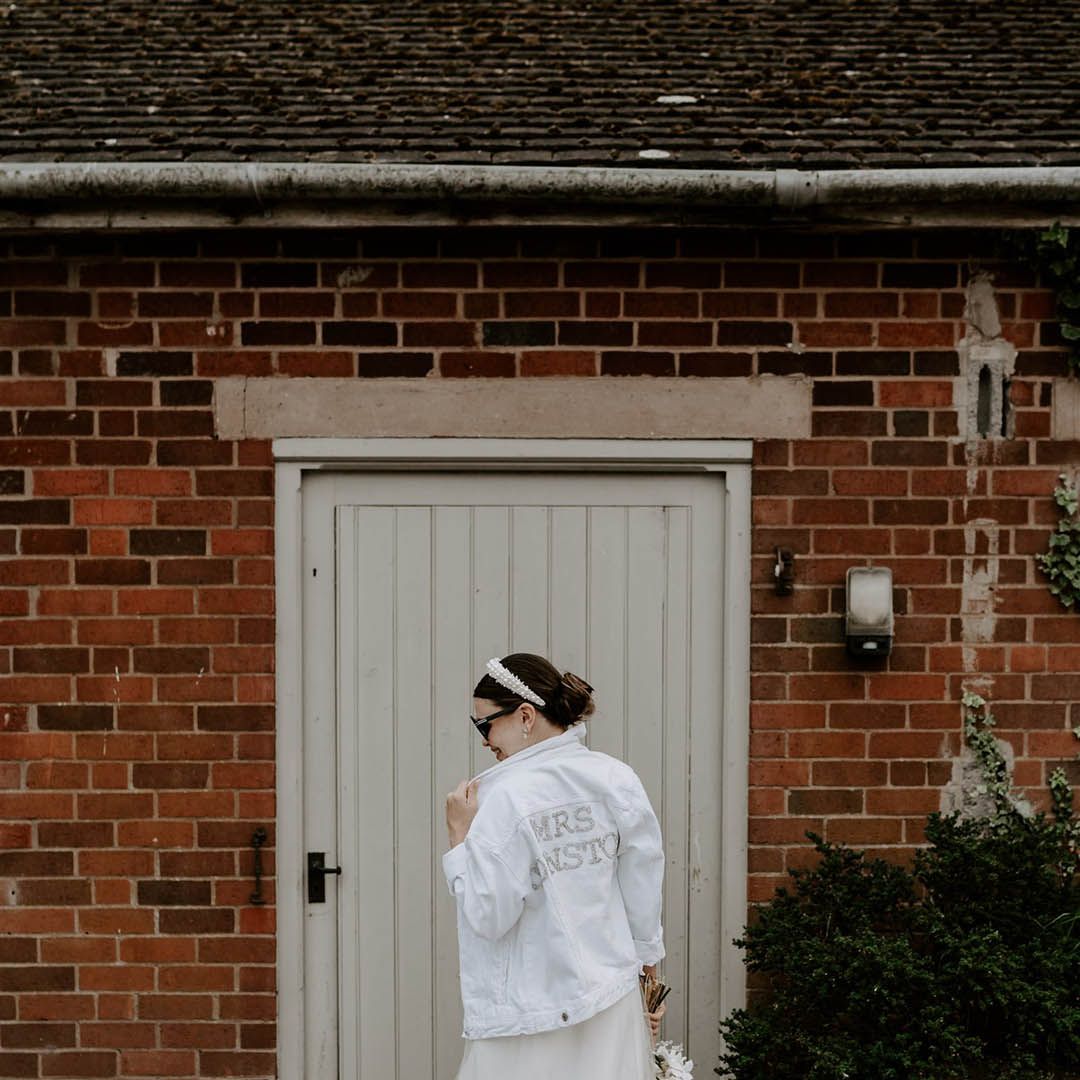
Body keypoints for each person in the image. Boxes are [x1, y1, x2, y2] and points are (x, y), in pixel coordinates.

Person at [444, 652, 667, 1080]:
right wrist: (648, 983)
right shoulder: (614, 778)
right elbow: (642, 892)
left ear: (525, 715)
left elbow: (488, 915)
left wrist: (459, 838)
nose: (485, 741)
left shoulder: (501, 797)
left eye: (484, 725)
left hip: (530, 1016)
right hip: (611, 1001)